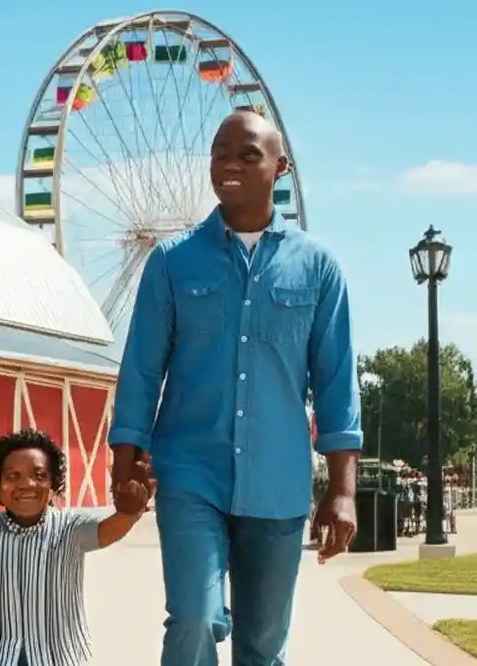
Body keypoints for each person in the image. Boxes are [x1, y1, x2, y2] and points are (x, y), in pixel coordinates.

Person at [109, 109, 362, 665]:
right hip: (189, 475)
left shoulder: (318, 269)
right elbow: (142, 370)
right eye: (220, 154)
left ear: (281, 166)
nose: (230, 165)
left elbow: (337, 385)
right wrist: (124, 462)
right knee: (195, 618)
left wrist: (342, 492)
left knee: (263, 647)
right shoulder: (171, 264)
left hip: (279, 482)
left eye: (248, 154)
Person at [0, 430, 154, 666]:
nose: (27, 484)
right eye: (13, 476)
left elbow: (108, 531)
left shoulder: (69, 528)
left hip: (57, 654)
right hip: (2, 655)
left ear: (53, 487)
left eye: (39, 475)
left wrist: (130, 512)